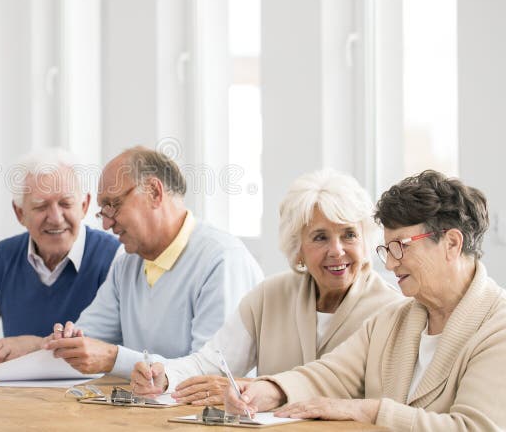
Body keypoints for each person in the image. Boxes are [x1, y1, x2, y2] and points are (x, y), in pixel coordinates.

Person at [226, 170, 506, 431]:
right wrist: (270, 391)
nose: (392, 264)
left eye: (401, 247)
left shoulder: (498, 327)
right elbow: (330, 374)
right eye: (387, 249)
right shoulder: (392, 321)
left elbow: (472, 427)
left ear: (452, 244)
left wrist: (371, 412)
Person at [131, 169, 403, 405]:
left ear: (365, 241)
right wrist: (163, 375)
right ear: (298, 249)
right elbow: (211, 363)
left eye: (349, 235)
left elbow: (381, 403)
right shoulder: (269, 295)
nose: (337, 250)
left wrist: (266, 391)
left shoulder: (391, 310)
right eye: (320, 237)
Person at [44, 146, 264, 379]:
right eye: (102, 211)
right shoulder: (126, 264)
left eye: (113, 205)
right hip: (147, 412)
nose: (106, 224)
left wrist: (113, 359)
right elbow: (90, 338)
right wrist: (69, 343)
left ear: (154, 192)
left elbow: (211, 372)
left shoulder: (222, 260)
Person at [0, 148, 121, 366]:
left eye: (65, 203)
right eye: (41, 206)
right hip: (20, 397)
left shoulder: (117, 257)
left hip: (94, 396)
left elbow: (120, 347)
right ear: (20, 213)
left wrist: (37, 346)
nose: (55, 217)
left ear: (84, 205)